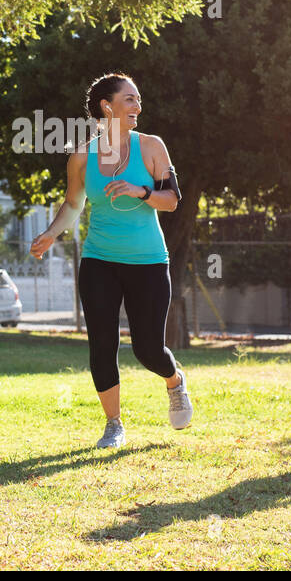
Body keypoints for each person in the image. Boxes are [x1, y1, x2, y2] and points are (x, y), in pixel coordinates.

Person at [30, 73, 190, 448]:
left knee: (148, 348)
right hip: (99, 259)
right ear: (107, 106)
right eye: (130, 99)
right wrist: (52, 233)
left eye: (138, 99)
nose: (138, 106)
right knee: (102, 344)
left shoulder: (151, 147)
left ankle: (175, 381)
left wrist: (142, 190)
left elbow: (171, 200)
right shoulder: (82, 156)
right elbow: (73, 204)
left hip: (149, 261)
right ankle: (114, 424)